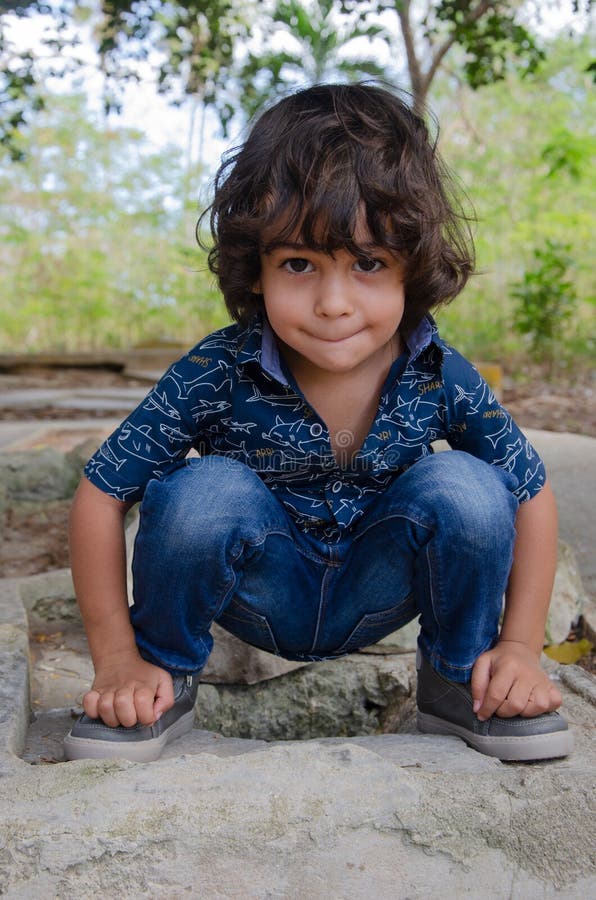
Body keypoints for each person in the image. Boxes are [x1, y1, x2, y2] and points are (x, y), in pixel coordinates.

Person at [64, 83, 572, 764]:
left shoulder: (437, 370)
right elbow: (102, 493)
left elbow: (530, 491)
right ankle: (159, 681)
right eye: (298, 264)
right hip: (259, 587)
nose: (334, 303)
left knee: (467, 485)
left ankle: (462, 682)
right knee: (202, 490)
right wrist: (116, 657)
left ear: (411, 268)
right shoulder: (216, 369)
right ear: (257, 269)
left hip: (380, 584)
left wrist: (519, 647)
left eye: (368, 263)